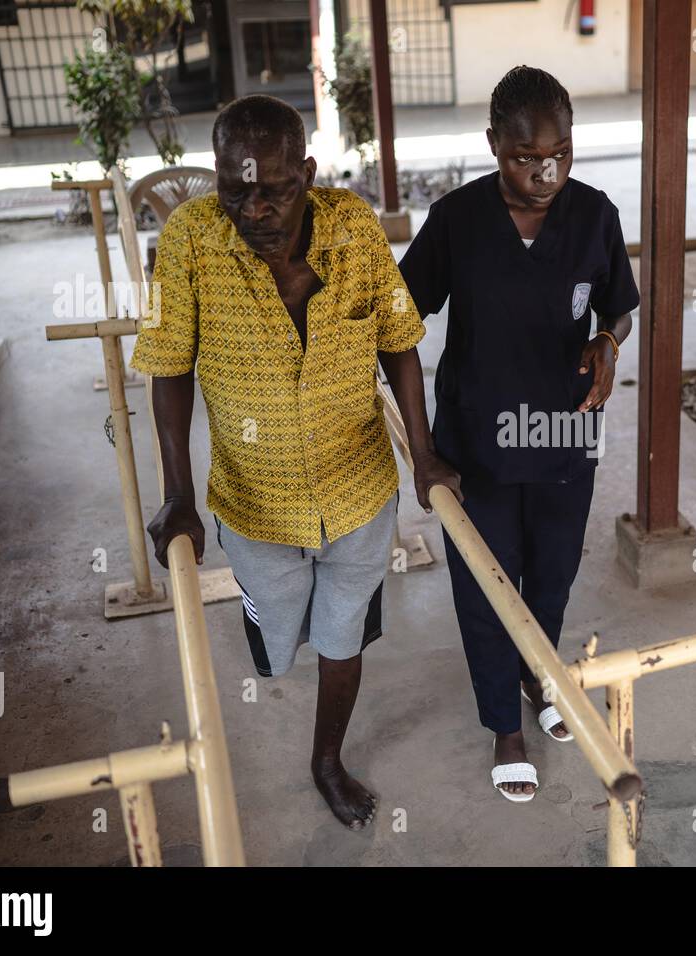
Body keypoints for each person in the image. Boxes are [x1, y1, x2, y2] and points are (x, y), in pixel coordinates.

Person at [130, 94, 459, 830]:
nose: (252, 209)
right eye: (234, 188)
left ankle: (326, 759)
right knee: (276, 650)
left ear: (306, 174)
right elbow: (167, 369)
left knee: (343, 636)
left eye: (273, 189)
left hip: (357, 490)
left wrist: (426, 459)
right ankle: (280, 630)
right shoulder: (187, 240)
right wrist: (177, 491)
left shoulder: (353, 229)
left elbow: (398, 339)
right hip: (253, 501)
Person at [398, 66, 639, 802]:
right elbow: (397, 326)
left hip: (564, 435)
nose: (546, 172)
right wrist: (423, 447)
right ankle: (505, 724)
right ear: (493, 144)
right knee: (485, 585)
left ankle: (542, 682)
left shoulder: (594, 214)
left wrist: (609, 339)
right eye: (525, 156)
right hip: (476, 445)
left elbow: (617, 306)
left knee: (552, 574)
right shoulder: (457, 221)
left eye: (561, 153)